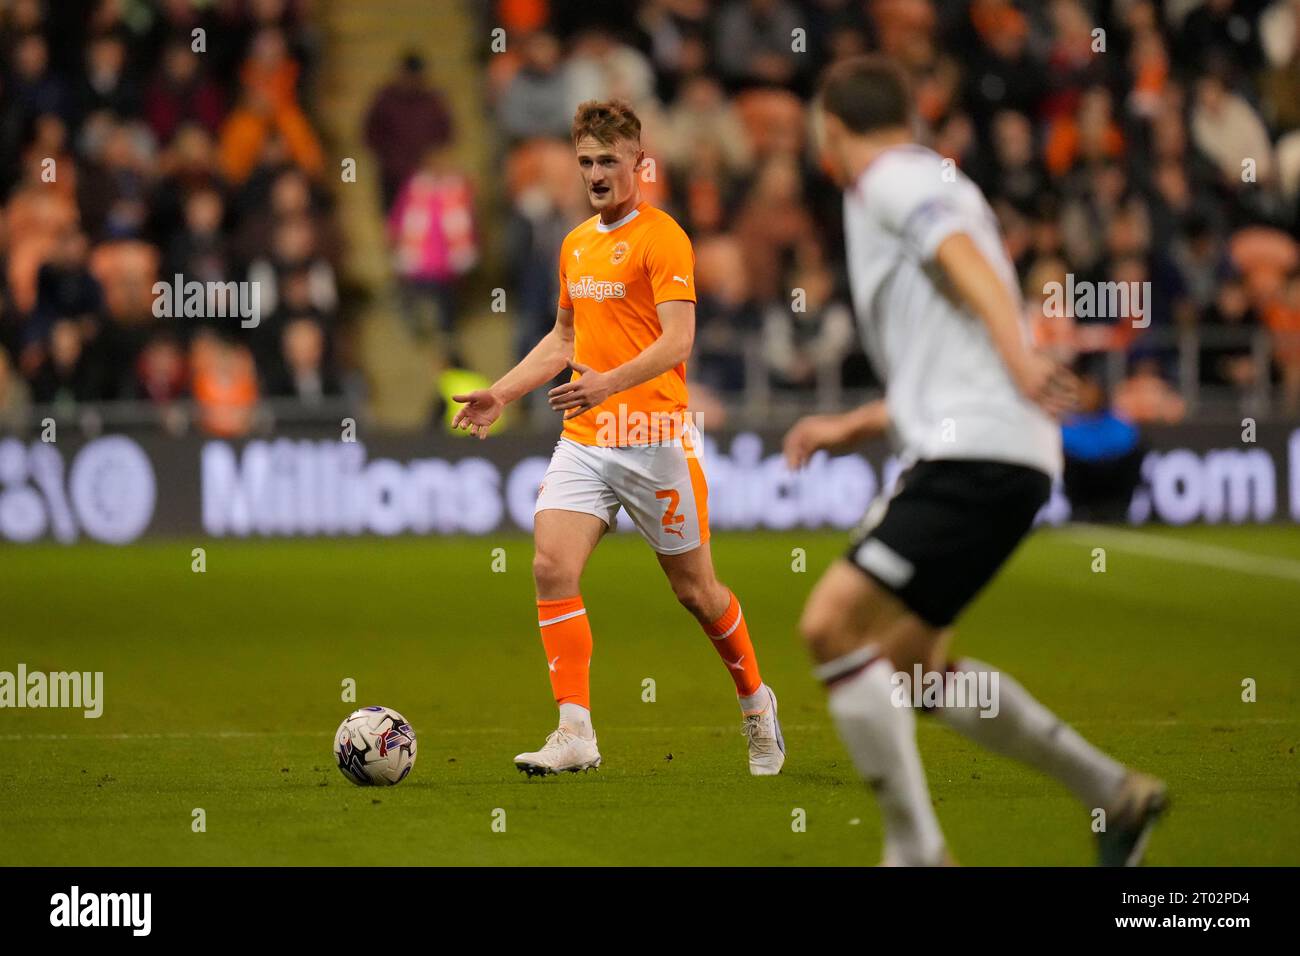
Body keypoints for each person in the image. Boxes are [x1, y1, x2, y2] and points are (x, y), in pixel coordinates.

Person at [782, 56, 1165, 865]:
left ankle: (917, 852)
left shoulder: (887, 181)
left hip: (974, 452)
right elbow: (953, 340)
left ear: (834, 127)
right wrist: (845, 425)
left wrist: (1022, 359)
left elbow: (963, 261)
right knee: (913, 667)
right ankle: (1111, 794)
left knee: (829, 626)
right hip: (1000, 449)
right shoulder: (942, 184)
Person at [451, 100, 784, 777]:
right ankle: (576, 731)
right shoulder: (575, 244)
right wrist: (502, 393)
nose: (596, 174)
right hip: (587, 437)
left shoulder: (665, 239)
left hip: (653, 436)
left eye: (608, 161)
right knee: (550, 566)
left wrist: (608, 383)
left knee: (697, 593)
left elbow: (678, 340)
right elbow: (565, 339)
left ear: (639, 161)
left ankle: (755, 702)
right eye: (585, 163)